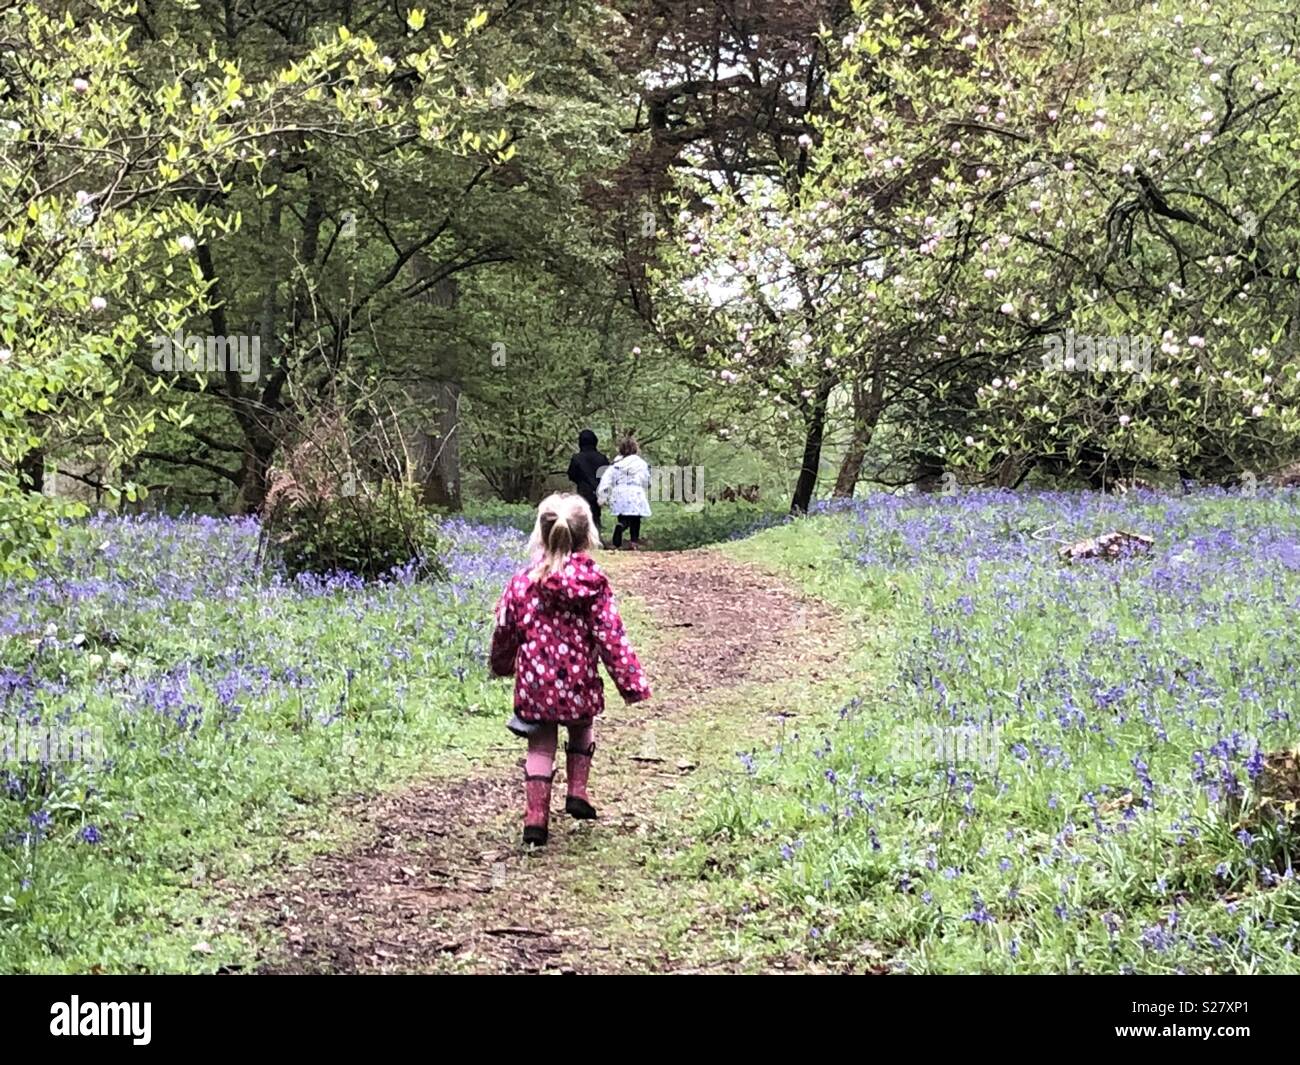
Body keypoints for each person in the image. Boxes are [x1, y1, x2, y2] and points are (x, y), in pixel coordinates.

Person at [488, 493, 651, 845]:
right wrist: (631, 683)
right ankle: (577, 793)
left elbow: (504, 629)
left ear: (541, 535)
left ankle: (535, 819)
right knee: (582, 727)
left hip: (536, 686)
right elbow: (611, 637)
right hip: (578, 684)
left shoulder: (522, 582)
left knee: (540, 746)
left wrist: (501, 665)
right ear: (587, 535)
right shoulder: (593, 585)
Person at [596, 434, 652, 549]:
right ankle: (633, 542)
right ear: (635, 449)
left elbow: (606, 480)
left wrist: (602, 496)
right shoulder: (641, 464)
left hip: (619, 493)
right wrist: (647, 485)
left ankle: (620, 527)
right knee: (635, 518)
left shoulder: (616, 465)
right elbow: (646, 480)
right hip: (635, 491)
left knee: (623, 516)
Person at [566, 429, 610, 531]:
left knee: (583, 517)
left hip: (583, 492)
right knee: (595, 516)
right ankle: (597, 538)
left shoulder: (576, 458)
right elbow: (607, 476)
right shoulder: (602, 458)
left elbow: (571, 475)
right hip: (598, 492)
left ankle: (584, 539)